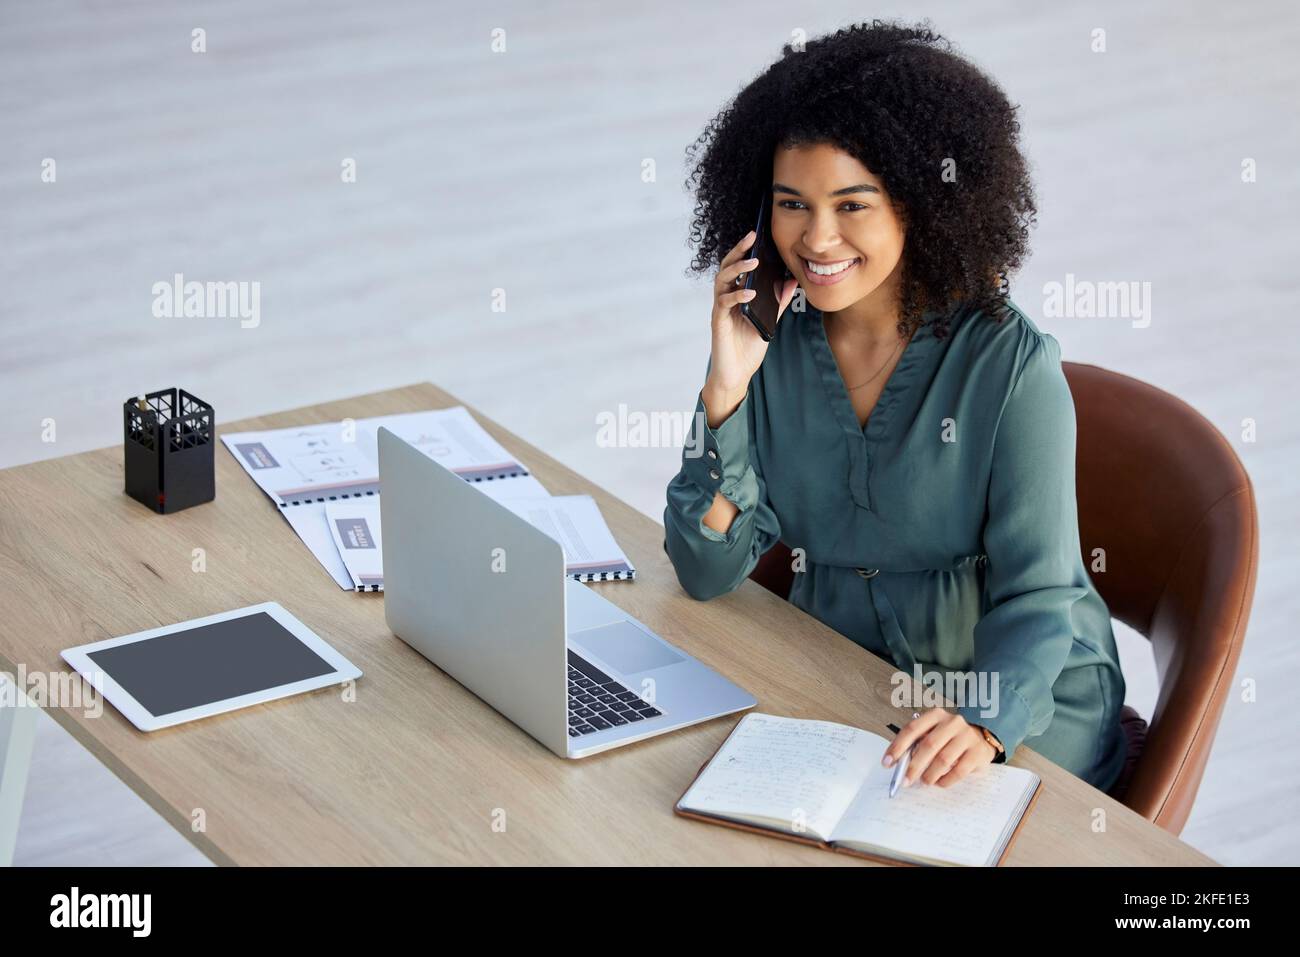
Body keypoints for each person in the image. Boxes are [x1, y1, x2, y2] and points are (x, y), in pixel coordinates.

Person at [663, 21, 1128, 793]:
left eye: (853, 205)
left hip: (1020, 713)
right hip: (852, 691)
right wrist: (726, 390)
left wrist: (985, 719)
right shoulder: (770, 350)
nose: (816, 237)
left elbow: (1043, 593)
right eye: (791, 204)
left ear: (916, 202)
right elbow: (706, 569)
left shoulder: (1010, 368)